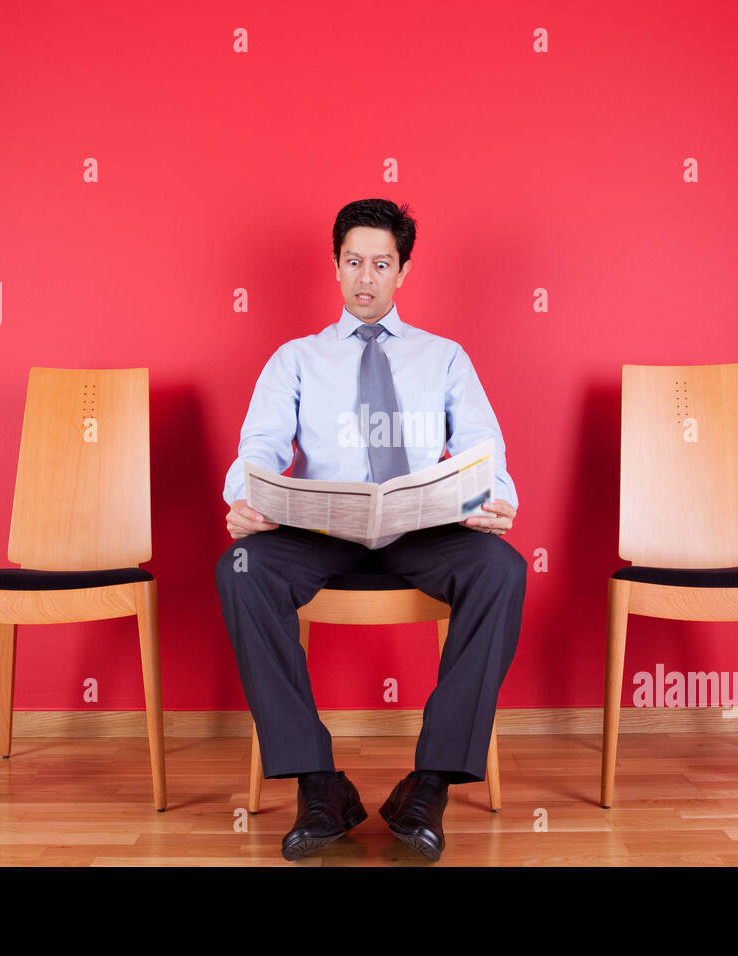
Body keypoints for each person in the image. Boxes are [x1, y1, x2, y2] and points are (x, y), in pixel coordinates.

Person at [214, 198, 526, 861]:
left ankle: (430, 784)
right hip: (321, 531)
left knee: (501, 569)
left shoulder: (444, 358)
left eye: (381, 264)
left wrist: (490, 501)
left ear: (403, 271)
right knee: (239, 568)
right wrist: (243, 499)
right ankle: (320, 784)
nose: (365, 278)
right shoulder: (296, 359)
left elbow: (484, 455)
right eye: (353, 262)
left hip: (420, 528)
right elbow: (257, 455)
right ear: (335, 266)